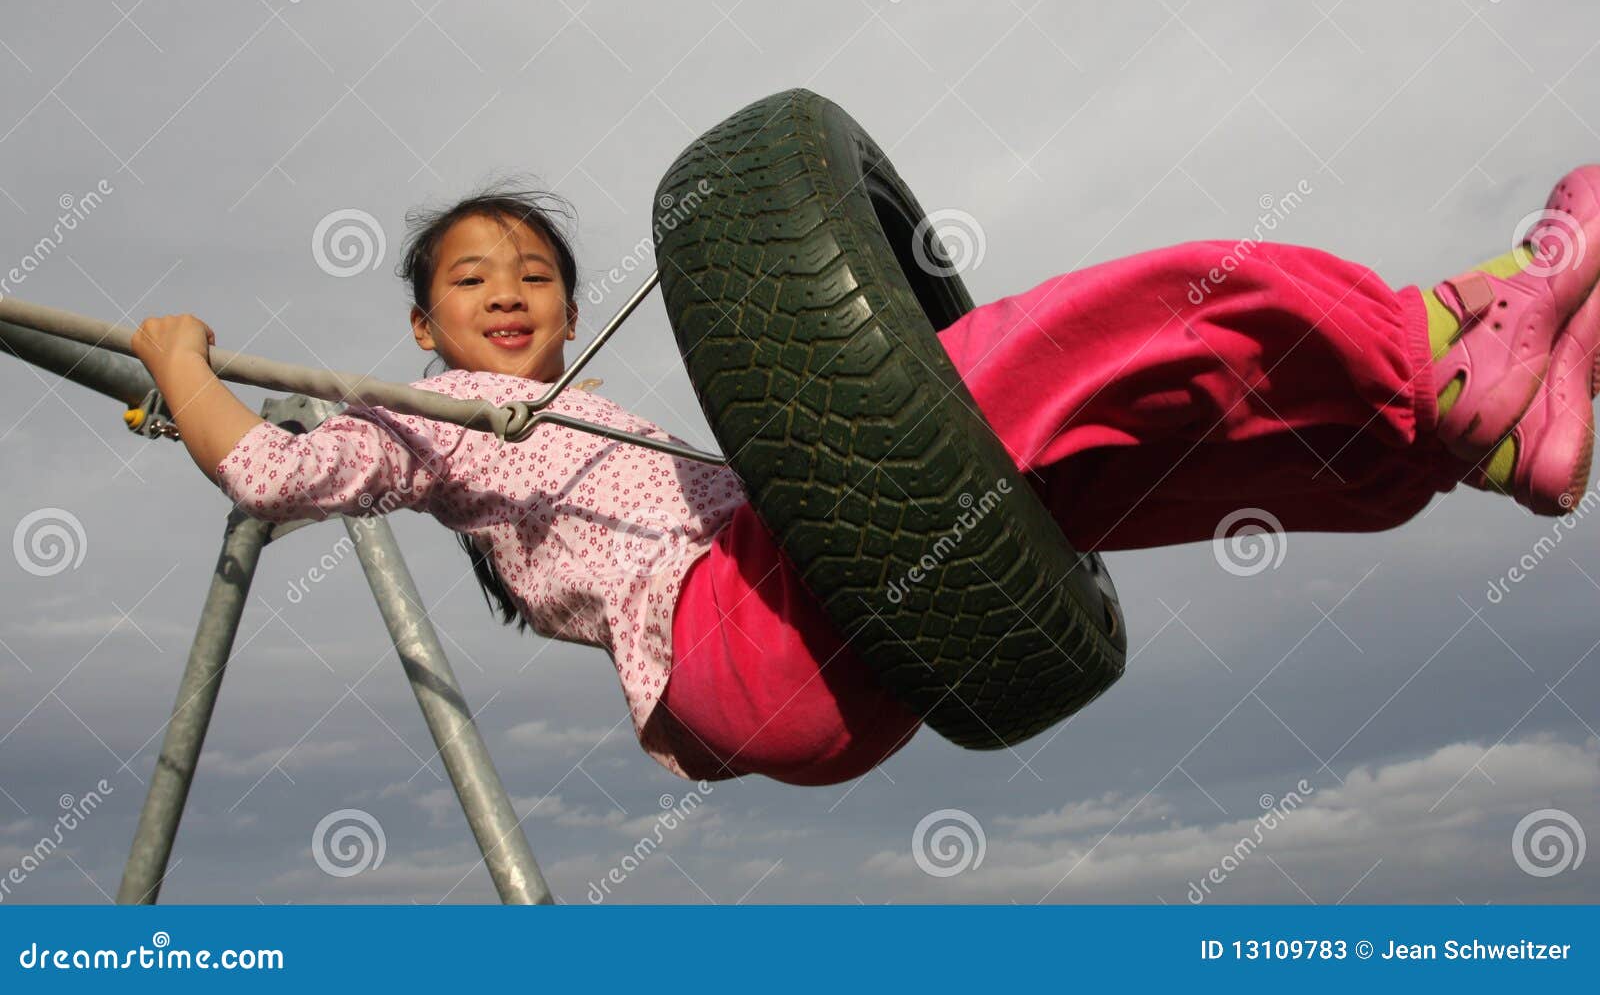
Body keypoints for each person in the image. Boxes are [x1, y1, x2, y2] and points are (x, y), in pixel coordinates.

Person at [129, 166, 1600, 787]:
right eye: (470, 277)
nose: (507, 294)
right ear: (421, 324)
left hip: (819, 663)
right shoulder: (436, 413)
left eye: (536, 276)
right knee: (998, 374)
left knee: (1071, 474)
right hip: (750, 633)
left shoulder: (578, 420)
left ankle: (1456, 442)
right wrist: (180, 359)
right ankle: (1434, 337)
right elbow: (264, 468)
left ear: (574, 318)